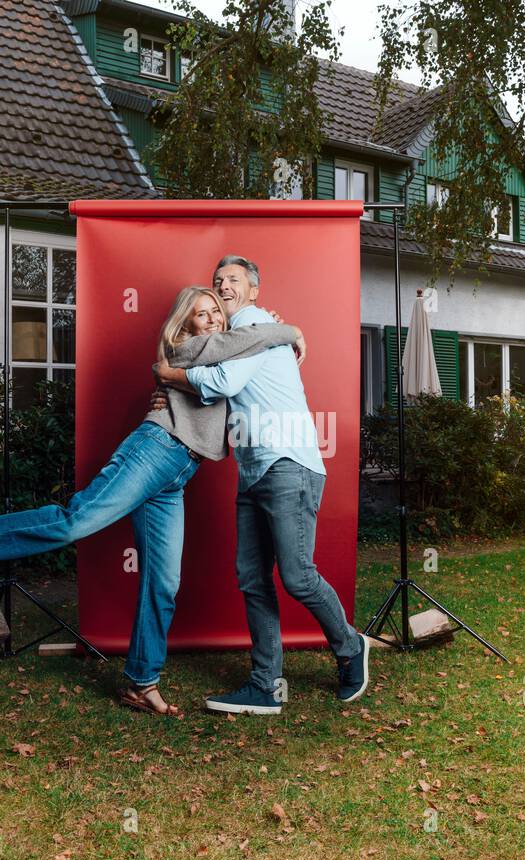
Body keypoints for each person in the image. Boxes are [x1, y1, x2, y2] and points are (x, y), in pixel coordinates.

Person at [0, 285, 306, 716]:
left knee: (163, 583)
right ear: (185, 323)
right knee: (73, 521)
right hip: (156, 450)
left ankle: (141, 682)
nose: (212, 320)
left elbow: (239, 352)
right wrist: (289, 329)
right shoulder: (187, 347)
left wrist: (268, 329)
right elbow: (240, 341)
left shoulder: (219, 355)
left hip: (177, 474)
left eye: (216, 313)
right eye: (202, 314)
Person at [153, 256, 369, 716]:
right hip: (256, 469)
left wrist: (169, 375)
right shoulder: (240, 334)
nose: (222, 286)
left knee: (296, 576)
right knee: (253, 579)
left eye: (232, 280)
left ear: (253, 291)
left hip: (287, 463)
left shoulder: (251, 323)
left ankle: (351, 646)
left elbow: (225, 381)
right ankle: (265, 684)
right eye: (217, 281)